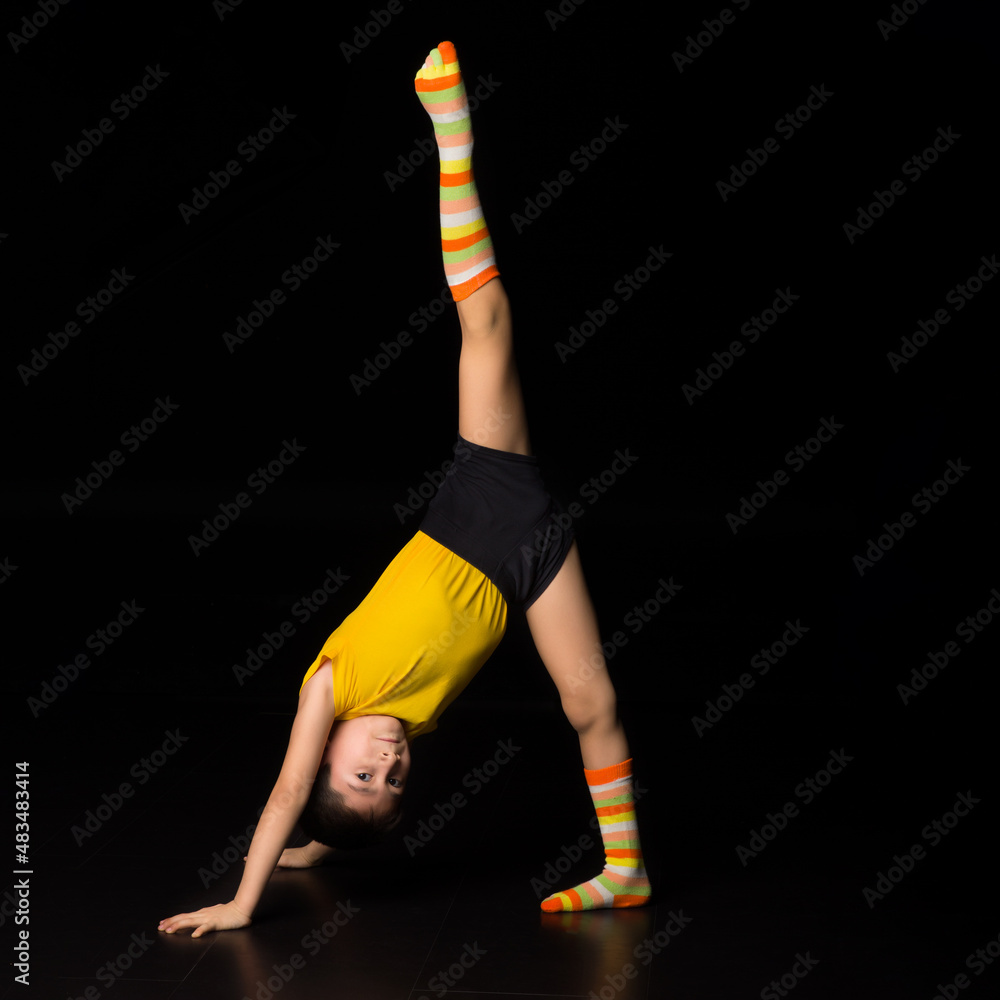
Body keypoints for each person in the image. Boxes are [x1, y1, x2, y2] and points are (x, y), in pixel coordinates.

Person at [158, 40, 651, 938]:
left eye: (361, 774)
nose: (386, 763)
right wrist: (324, 845)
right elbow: (321, 809)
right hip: (526, 565)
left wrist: (244, 899)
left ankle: (451, 140)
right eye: (393, 782)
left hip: (481, 507)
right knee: (595, 706)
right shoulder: (401, 724)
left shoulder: (331, 690)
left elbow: (284, 793)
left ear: (328, 758)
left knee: (486, 318)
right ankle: (629, 872)